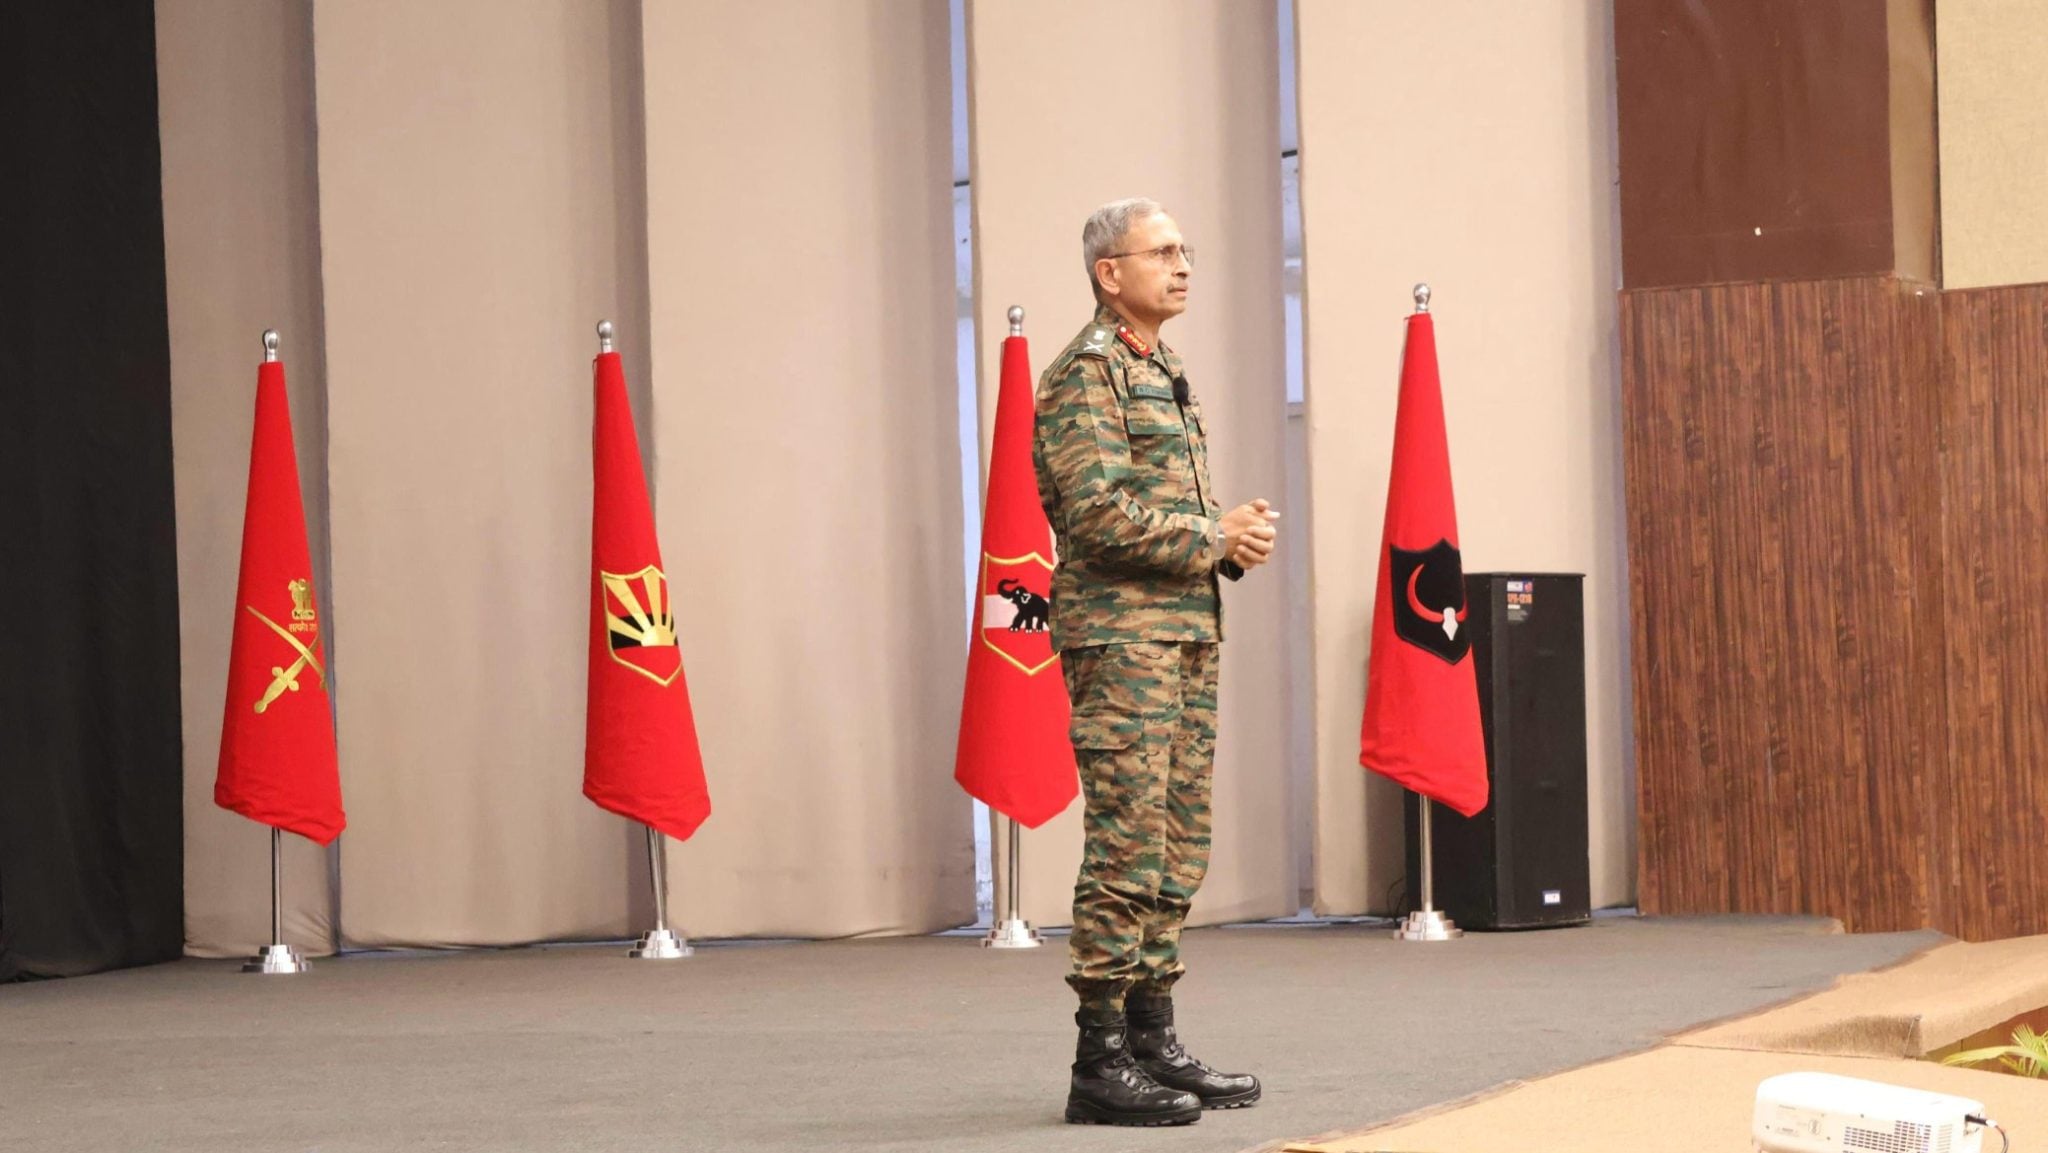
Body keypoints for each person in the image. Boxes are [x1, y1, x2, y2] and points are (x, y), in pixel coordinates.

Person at [1033, 197, 1279, 1127]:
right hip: (1120, 639)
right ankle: (1097, 1060)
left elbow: (1167, 515)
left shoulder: (1161, 364)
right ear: (1110, 272)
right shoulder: (1084, 375)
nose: (1183, 265)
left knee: (1176, 849)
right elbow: (1096, 516)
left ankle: (1151, 1038)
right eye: (1163, 251)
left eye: (1186, 251)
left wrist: (1229, 543)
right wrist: (1210, 533)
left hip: (1181, 632)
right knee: (1126, 847)